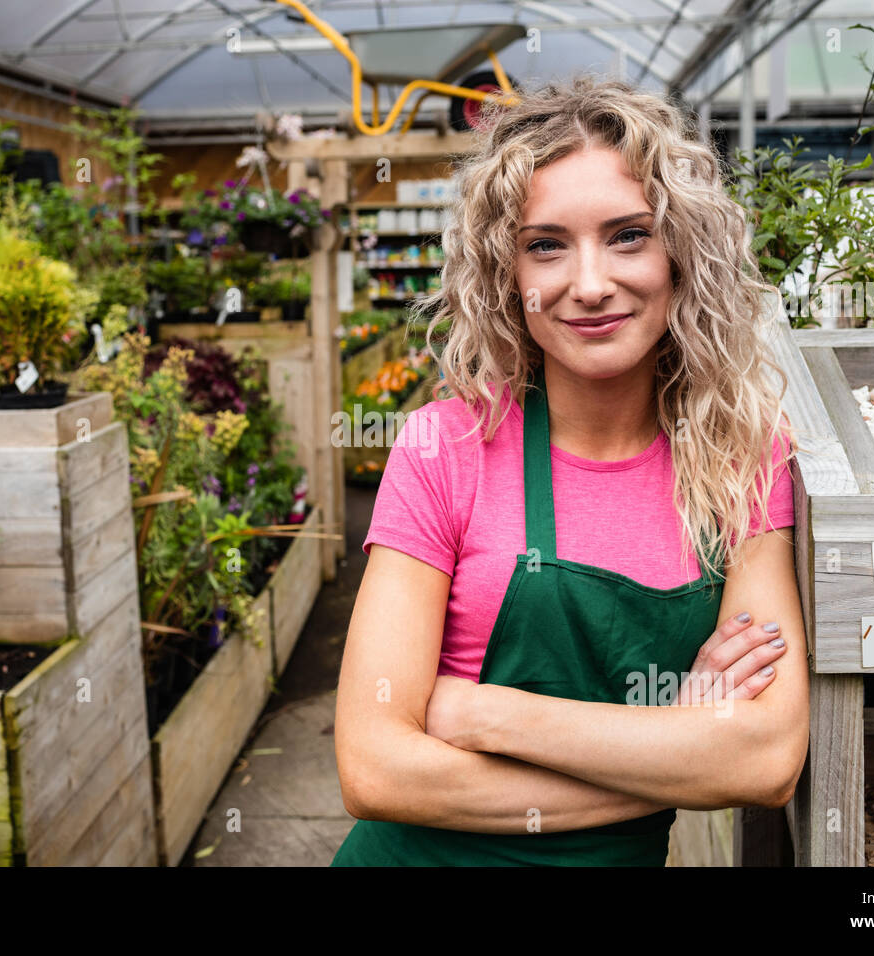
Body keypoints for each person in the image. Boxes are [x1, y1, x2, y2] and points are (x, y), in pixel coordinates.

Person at [330, 75, 811, 866]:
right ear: (506, 275)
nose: (589, 285)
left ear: (682, 252)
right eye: (545, 244)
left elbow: (764, 758)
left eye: (629, 235)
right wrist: (679, 748)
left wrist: (489, 716)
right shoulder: (442, 449)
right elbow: (375, 770)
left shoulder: (741, 455)